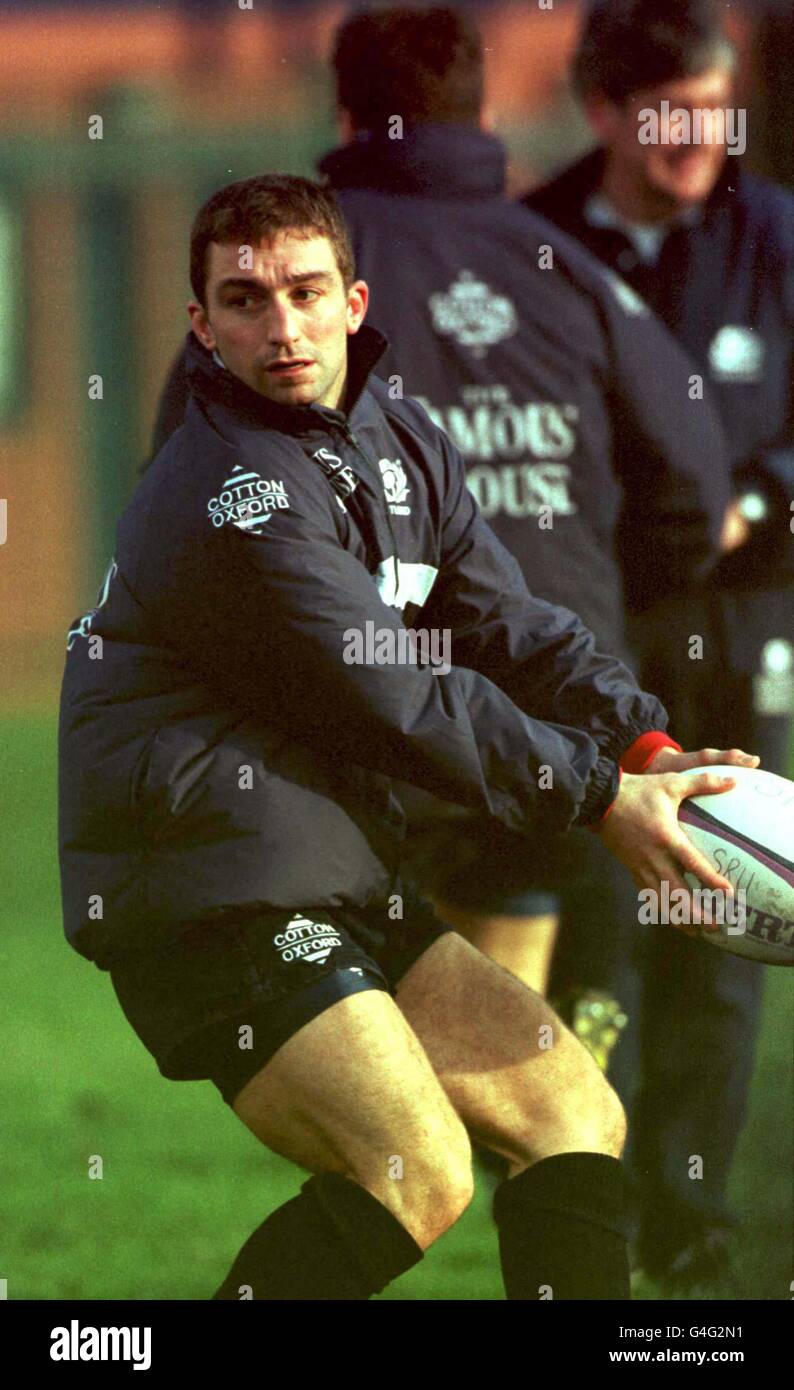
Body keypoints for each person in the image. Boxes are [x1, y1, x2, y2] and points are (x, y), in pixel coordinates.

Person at [58, 174, 754, 1301]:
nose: (278, 326)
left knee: (572, 1114)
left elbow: (502, 623)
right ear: (200, 323)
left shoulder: (400, 433)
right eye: (243, 300)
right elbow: (399, 692)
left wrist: (643, 751)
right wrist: (591, 798)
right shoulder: (231, 495)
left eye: (303, 290)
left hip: (332, 865)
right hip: (201, 883)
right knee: (413, 1173)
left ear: (353, 299)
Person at [150, 5, 735, 1050]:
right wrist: (615, 599)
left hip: (360, 759)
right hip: (542, 734)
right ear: (486, 107)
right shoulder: (571, 272)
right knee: (524, 1064)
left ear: (341, 110)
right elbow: (690, 485)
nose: (286, 322)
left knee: (437, 1081)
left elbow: (183, 492)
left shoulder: (270, 280)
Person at [524, 0, 794, 1286]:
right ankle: (601, 1219)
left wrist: (760, 493)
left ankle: (690, 1231)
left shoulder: (773, 237)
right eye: (671, 111)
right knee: (602, 929)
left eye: (715, 105)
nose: (701, 137)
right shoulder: (529, 244)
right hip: (596, 639)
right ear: (602, 109)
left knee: (724, 920)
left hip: (739, 630)